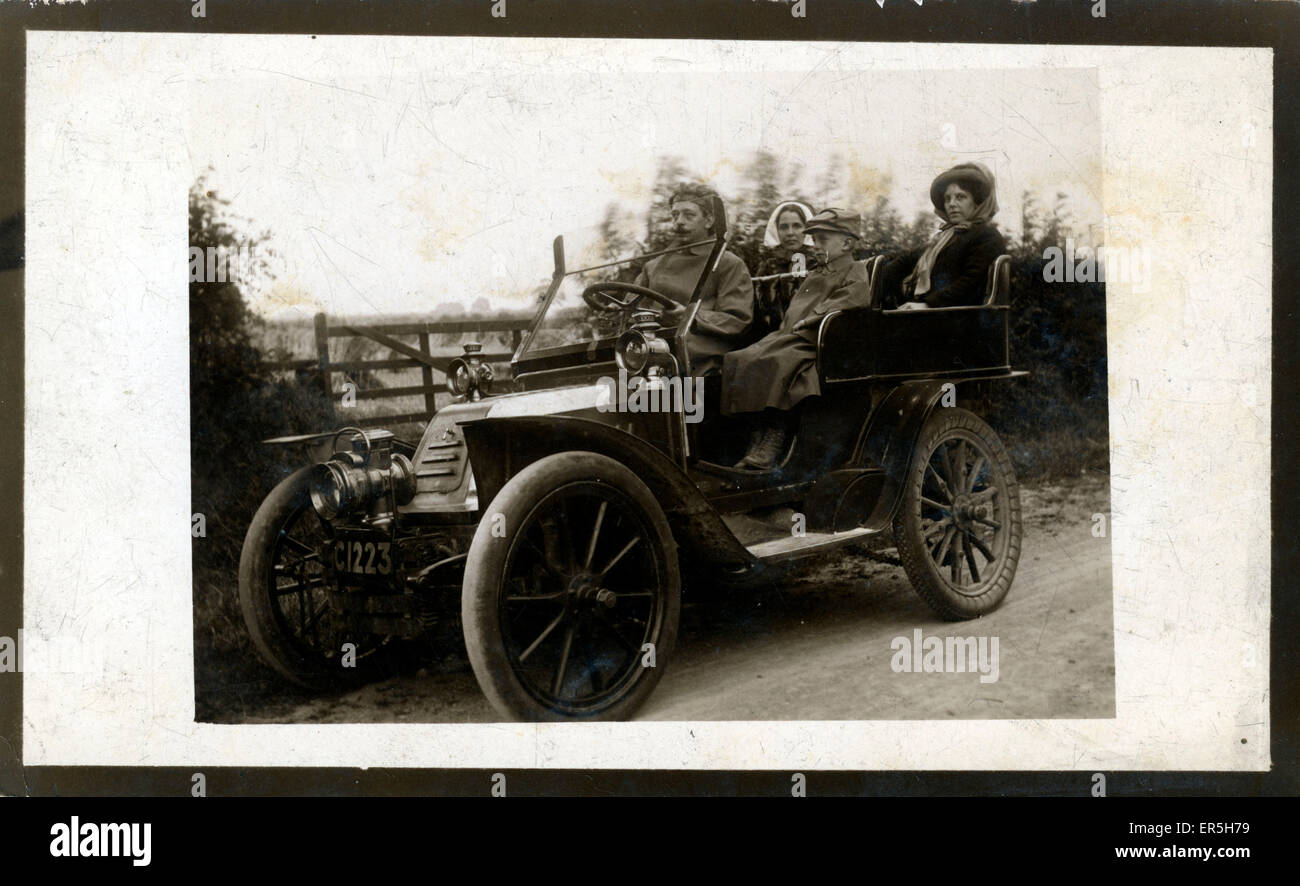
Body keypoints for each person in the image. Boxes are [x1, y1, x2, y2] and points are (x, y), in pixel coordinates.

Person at [721, 208, 872, 471]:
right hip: (791, 335)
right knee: (740, 358)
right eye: (814, 240)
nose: (815, 246)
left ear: (847, 243)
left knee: (777, 362)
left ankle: (775, 434)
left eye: (822, 240)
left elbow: (852, 299)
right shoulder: (817, 272)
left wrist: (813, 317)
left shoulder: (854, 270)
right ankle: (758, 432)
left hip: (817, 340)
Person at [633, 184, 754, 376]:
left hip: (700, 348)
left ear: (709, 220)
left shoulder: (727, 263)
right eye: (675, 215)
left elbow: (737, 320)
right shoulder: (653, 266)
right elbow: (633, 307)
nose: (679, 222)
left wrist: (689, 317)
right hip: (653, 344)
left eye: (689, 215)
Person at [879, 162, 1005, 311]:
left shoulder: (987, 236)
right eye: (947, 199)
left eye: (960, 197)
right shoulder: (943, 239)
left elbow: (970, 283)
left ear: (977, 203)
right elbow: (906, 260)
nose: (951, 204)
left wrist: (928, 304)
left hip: (960, 318)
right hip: (934, 315)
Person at [753, 200, 817, 332]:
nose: (790, 233)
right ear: (776, 230)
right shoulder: (768, 264)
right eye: (783, 227)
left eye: (797, 226)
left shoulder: (818, 262)